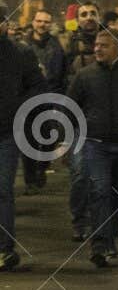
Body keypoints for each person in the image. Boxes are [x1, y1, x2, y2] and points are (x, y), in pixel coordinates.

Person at [66, 27, 118, 267]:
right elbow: (69, 108)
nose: (97, 49)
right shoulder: (85, 75)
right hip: (95, 145)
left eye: (104, 45)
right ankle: (100, 245)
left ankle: (109, 239)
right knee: (100, 191)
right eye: (96, 45)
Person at [0, 33, 45, 271]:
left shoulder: (19, 52)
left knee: (3, 190)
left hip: (7, 132)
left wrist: (16, 106)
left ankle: (4, 249)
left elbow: (38, 85)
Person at [61, 1, 102, 241]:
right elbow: (59, 83)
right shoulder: (69, 46)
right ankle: (79, 221)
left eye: (92, 13)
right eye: (84, 14)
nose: (89, 18)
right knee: (79, 175)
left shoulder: (113, 42)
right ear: (77, 19)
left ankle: (100, 222)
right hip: (77, 122)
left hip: (105, 121)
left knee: (102, 179)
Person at [19, 10, 64, 191]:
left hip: (50, 96)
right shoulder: (23, 45)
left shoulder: (57, 46)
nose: (42, 24)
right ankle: (30, 180)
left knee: (50, 137)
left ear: (50, 24)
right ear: (33, 22)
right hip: (27, 98)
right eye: (39, 21)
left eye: (46, 22)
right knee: (28, 140)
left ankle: (42, 168)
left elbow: (62, 73)